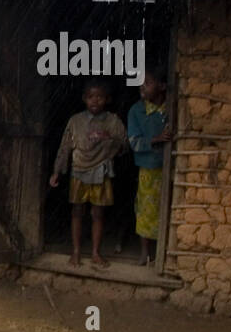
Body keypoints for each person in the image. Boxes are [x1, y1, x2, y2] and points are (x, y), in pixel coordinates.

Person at [49, 79, 127, 268]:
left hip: (101, 171)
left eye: (100, 97)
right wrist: (57, 171)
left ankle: (95, 253)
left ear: (107, 100)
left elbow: (125, 146)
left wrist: (109, 140)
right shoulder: (75, 121)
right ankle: (75, 252)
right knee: (77, 211)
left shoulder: (113, 121)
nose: (95, 101)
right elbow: (65, 147)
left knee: (98, 213)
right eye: (91, 97)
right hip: (79, 170)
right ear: (84, 98)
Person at [126, 70, 172, 265]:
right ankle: (145, 252)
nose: (142, 86)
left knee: (168, 208)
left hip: (171, 168)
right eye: (140, 83)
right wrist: (156, 140)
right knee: (145, 210)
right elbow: (133, 142)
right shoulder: (136, 111)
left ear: (162, 86)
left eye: (148, 82)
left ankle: (165, 251)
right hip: (148, 168)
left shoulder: (171, 109)